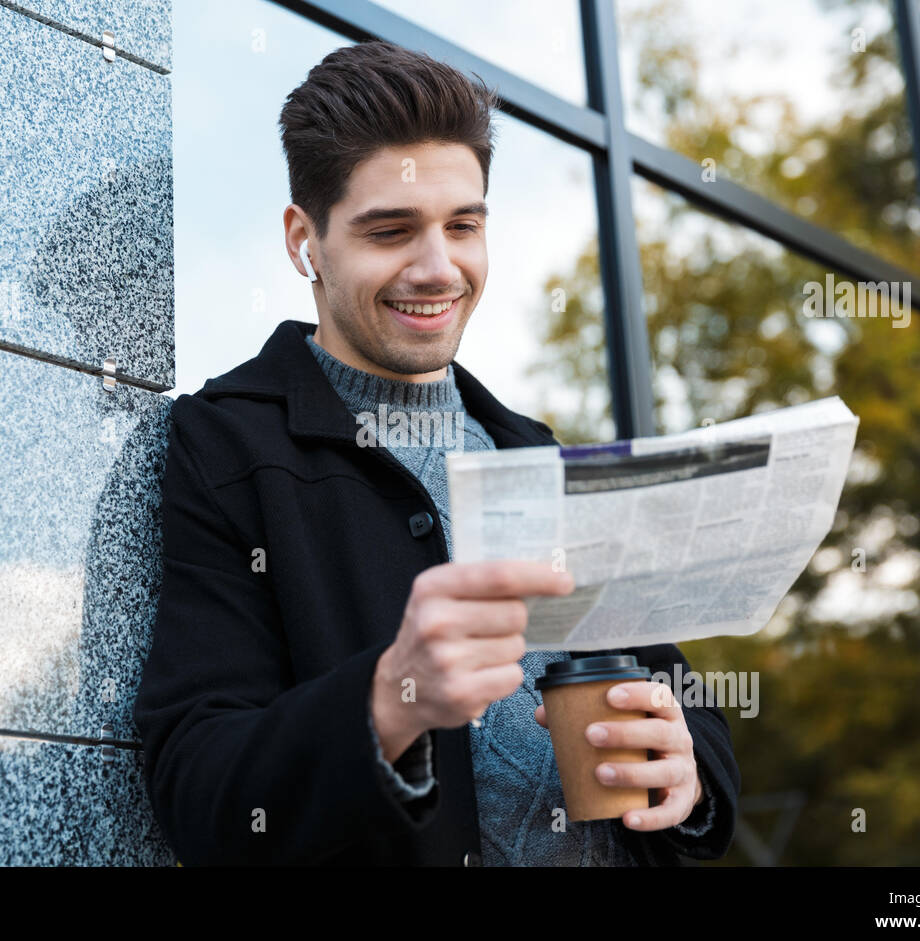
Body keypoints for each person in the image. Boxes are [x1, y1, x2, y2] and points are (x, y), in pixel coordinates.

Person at [133, 39, 739, 866]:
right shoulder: (224, 445)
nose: (437, 268)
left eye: (464, 226)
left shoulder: (537, 453)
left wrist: (689, 764)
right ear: (303, 239)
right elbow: (199, 788)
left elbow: (688, 704)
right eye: (391, 231)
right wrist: (389, 700)